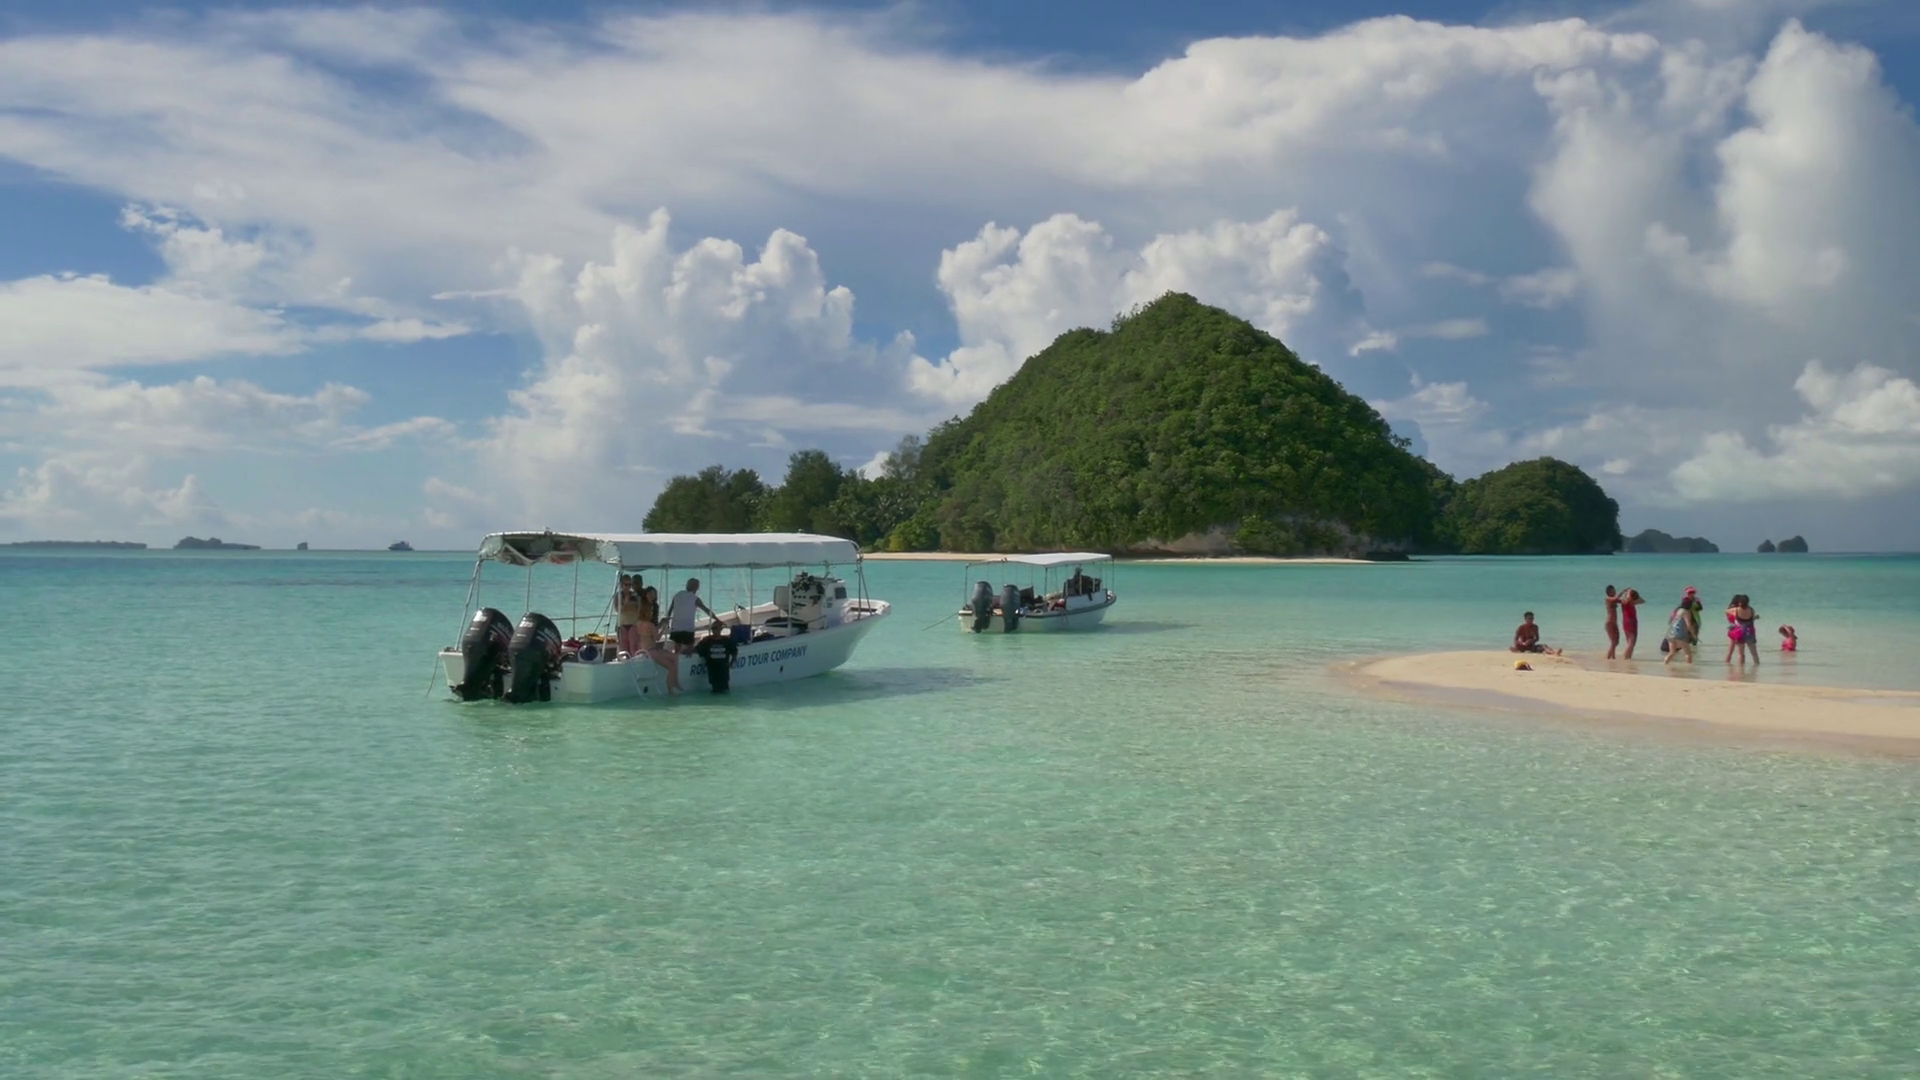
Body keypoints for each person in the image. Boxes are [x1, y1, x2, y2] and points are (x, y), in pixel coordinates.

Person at [666, 577, 719, 654]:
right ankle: (686, 659)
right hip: (687, 627)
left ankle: (676, 658)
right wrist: (716, 619)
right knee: (690, 647)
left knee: (677, 646)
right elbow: (706, 610)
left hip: (676, 626)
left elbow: (670, 610)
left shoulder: (677, 595)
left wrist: (667, 622)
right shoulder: (695, 598)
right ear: (696, 587)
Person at [694, 618, 739, 693]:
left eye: (715, 628)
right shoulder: (707, 640)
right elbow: (697, 649)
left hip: (724, 670)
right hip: (713, 670)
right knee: (715, 690)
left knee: (725, 690)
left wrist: (731, 662)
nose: (713, 630)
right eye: (712, 628)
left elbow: (734, 651)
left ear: (720, 629)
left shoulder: (727, 641)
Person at [1663, 592, 1699, 666]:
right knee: (1687, 653)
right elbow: (1688, 625)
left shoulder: (1678, 610)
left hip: (1670, 633)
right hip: (1680, 635)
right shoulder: (1687, 612)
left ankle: (1665, 664)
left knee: (1672, 652)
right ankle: (1689, 668)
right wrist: (1693, 635)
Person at [615, 574, 643, 658]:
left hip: (633, 623)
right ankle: (625, 664)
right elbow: (618, 610)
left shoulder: (634, 595)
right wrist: (626, 603)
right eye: (626, 584)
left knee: (633, 648)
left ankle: (634, 664)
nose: (628, 587)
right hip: (622, 624)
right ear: (621, 585)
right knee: (623, 649)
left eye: (630, 585)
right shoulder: (618, 595)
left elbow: (639, 610)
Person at [1620, 587, 1644, 659]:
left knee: (1629, 642)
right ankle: (1626, 658)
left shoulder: (1624, 602)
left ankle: (1628, 657)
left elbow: (1642, 601)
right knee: (1631, 643)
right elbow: (1642, 601)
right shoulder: (1630, 602)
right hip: (1631, 622)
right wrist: (1634, 596)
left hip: (1626, 622)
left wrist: (1627, 593)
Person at [1604, 585, 1621, 659]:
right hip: (1610, 622)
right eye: (1613, 590)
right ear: (1610, 592)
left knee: (1616, 641)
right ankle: (1613, 657)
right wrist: (1623, 591)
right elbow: (1616, 598)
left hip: (1614, 622)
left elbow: (1623, 601)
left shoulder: (1614, 600)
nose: (1615, 591)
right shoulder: (1608, 599)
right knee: (1613, 641)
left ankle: (1608, 656)